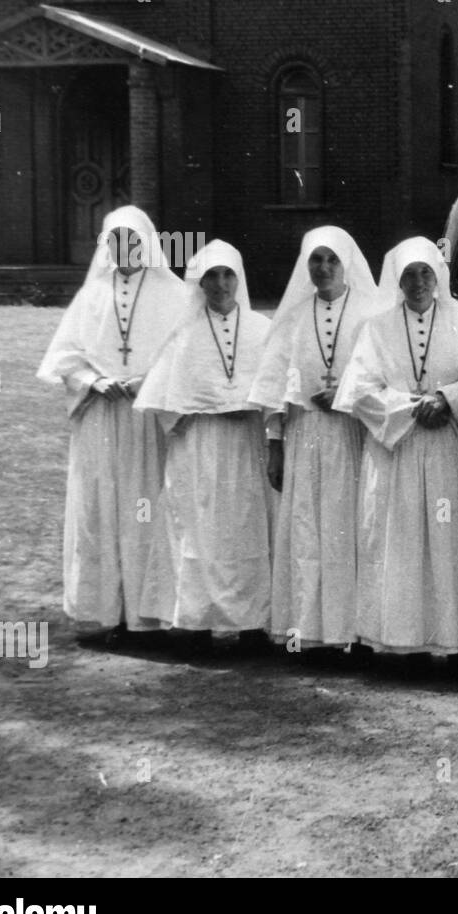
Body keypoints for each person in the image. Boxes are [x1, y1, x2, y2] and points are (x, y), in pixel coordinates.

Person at [37, 205, 189, 646]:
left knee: (147, 510)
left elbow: (185, 352)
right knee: (100, 510)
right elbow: (65, 357)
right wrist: (94, 380)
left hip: (148, 420)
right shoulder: (91, 296)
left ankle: (149, 616)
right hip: (101, 419)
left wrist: (147, 381)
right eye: (116, 241)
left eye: (134, 240)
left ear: (148, 244)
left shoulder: (174, 295)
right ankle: (104, 612)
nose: (126, 249)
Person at [333, 237, 458, 673]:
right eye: (409, 274)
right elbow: (360, 390)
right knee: (397, 543)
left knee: (446, 538)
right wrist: (412, 409)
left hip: (444, 450)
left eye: (425, 273)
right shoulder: (377, 327)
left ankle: (453, 643)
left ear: (438, 277)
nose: (418, 283)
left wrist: (447, 399)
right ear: (396, 279)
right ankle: (401, 641)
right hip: (396, 450)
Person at [135, 240, 275, 651]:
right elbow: (164, 403)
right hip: (198, 448)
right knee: (198, 531)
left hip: (247, 448)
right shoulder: (183, 334)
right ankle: (195, 622)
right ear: (200, 282)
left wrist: (248, 409)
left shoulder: (263, 330)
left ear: (239, 278)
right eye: (211, 276)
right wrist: (212, 406)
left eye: (228, 274)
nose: (220, 284)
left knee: (246, 531)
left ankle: (251, 624)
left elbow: (276, 393)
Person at [249, 227, 381, 657]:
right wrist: (274, 444)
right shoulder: (292, 317)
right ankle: (305, 630)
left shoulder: (370, 312)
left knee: (352, 532)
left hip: (353, 434)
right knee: (306, 531)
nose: (323, 269)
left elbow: (383, 374)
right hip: (305, 435)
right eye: (315, 260)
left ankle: (356, 633)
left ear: (346, 264)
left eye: (332, 261)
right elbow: (273, 386)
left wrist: (347, 392)